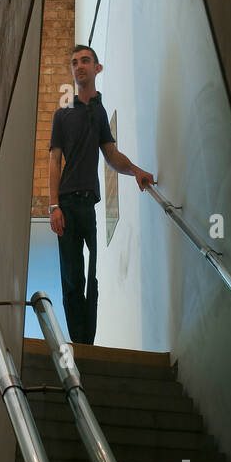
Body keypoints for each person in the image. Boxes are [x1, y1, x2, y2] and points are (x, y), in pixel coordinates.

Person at [48, 45, 154, 345]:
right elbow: (54, 160)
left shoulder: (100, 112)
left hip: (88, 206)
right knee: (72, 278)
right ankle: (78, 344)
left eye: (85, 61)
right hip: (66, 204)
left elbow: (110, 154)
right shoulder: (62, 114)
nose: (79, 66)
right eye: (74, 63)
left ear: (97, 68)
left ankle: (87, 345)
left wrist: (136, 171)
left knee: (91, 278)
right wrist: (53, 205)